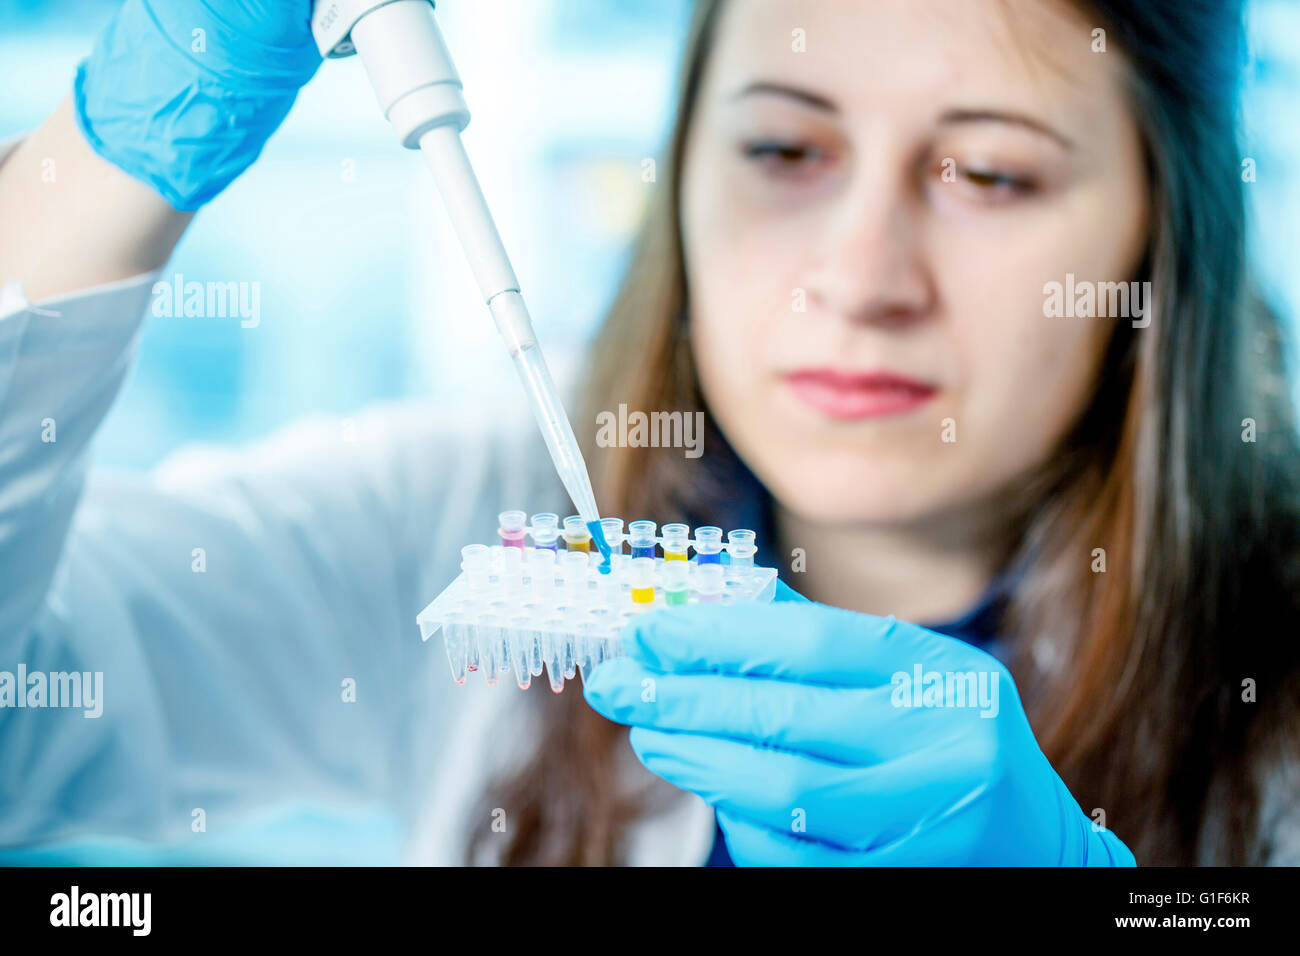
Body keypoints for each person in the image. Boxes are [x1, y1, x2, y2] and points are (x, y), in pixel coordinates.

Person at [1, 0, 1296, 866]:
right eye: (786, 149)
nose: (858, 279)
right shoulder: (450, 520)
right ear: (682, 172)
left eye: (991, 173)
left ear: (1162, 229)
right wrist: (111, 155)